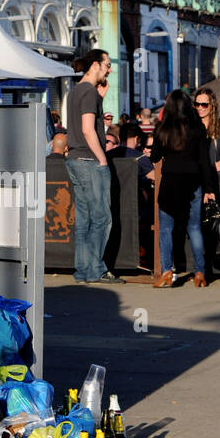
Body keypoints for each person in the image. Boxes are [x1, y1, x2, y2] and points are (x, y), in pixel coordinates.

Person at [65, 49, 123, 284]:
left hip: (75, 159)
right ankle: (96, 270)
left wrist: (100, 98)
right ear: (96, 65)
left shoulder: (76, 91)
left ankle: (83, 270)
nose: (110, 69)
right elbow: (89, 129)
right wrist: (102, 159)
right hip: (89, 160)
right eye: (107, 65)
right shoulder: (88, 92)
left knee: (84, 219)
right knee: (101, 218)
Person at [150, 90, 215, 288]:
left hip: (170, 181)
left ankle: (167, 271)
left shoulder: (162, 128)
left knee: (166, 229)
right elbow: (205, 161)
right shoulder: (197, 128)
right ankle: (200, 273)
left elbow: (154, 156)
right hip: (193, 182)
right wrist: (209, 188)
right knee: (194, 227)